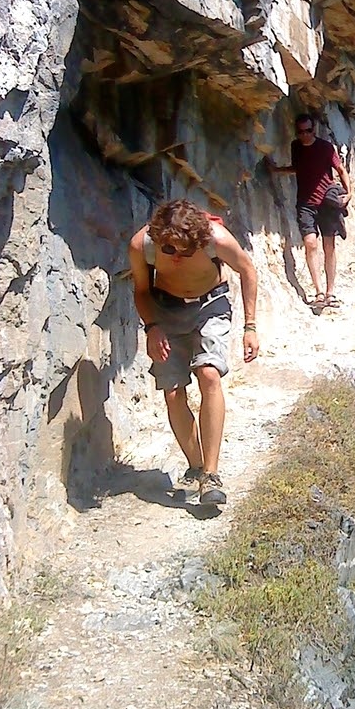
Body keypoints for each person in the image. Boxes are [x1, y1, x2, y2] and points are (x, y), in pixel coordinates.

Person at [128, 199, 259, 506]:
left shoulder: (217, 239)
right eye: (169, 249)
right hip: (165, 310)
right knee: (173, 392)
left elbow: (247, 270)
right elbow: (141, 291)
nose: (176, 256)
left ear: (199, 242)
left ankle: (212, 476)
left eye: (186, 251)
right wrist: (152, 327)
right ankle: (196, 466)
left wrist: (250, 326)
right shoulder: (142, 244)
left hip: (211, 305)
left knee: (208, 374)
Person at [265, 113, 351, 307]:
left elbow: (341, 170)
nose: (305, 135)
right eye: (301, 131)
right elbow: (299, 168)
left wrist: (349, 193)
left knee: (329, 246)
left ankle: (331, 292)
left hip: (327, 202)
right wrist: (277, 170)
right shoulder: (295, 147)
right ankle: (319, 292)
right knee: (311, 243)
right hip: (306, 203)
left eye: (308, 131)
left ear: (314, 130)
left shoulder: (326, 148)